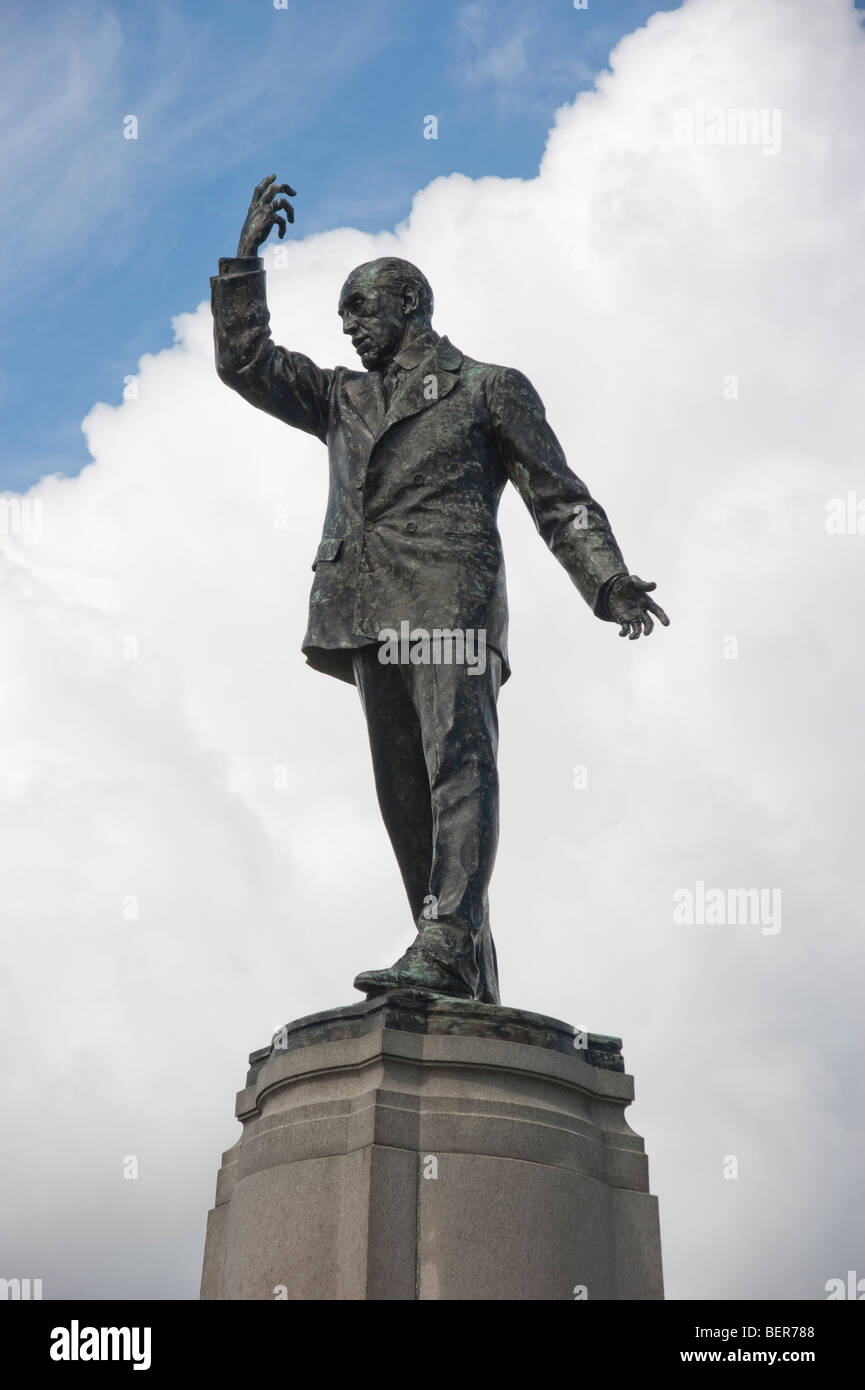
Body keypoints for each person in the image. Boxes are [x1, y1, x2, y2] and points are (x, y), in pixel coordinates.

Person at [211, 176, 669, 1004]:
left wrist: (606, 580)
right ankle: (458, 960)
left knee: (458, 765)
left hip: (450, 604)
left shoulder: (489, 387)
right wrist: (243, 266)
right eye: (343, 316)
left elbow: (556, 496)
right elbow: (246, 364)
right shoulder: (340, 397)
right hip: (365, 611)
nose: (347, 328)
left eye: (359, 310)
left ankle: (448, 937)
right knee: (404, 794)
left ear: (410, 304)